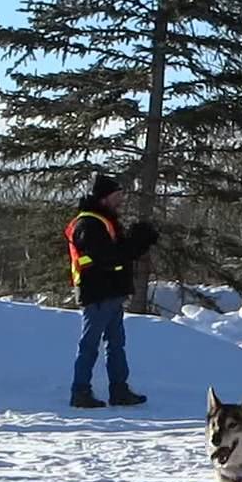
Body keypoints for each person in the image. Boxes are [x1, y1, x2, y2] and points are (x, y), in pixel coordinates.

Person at [66, 174, 158, 408]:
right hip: (96, 293)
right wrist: (135, 243)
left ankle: (119, 390)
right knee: (90, 344)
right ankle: (80, 392)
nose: (121, 200)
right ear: (105, 198)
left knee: (116, 345)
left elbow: (118, 254)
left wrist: (137, 243)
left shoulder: (104, 221)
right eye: (117, 195)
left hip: (111, 293)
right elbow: (108, 257)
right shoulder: (89, 223)